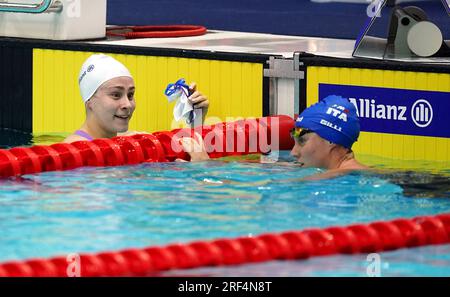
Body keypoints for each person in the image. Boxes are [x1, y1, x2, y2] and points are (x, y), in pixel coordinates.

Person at [63, 54, 209, 143]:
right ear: (90, 101)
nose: (127, 104)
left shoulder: (134, 140)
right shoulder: (72, 150)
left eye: (130, 95)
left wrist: (196, 118)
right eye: (116, 95)